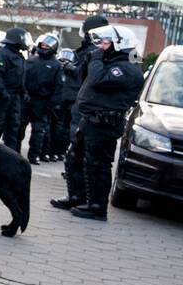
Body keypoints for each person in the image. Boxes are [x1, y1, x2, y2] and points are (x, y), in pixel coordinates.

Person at [65, 26, 144, 221]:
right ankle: (76, 197)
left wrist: (97, 57)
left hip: (104, 124)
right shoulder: (110, 61)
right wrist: (92, 58)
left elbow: (97, 79)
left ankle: (97, 207)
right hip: (90, 119)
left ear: (120, 44)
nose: (101, 46)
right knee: (74, 157)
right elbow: (84, 76)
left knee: (97, 165)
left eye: (106, 42)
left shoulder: (127, 67)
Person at [52, 15, 111, 209]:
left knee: (88, 157)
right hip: (82, 104)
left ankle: (89, 201)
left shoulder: (100, 50)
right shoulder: (92, 50)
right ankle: (77, 196)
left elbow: (92, 77)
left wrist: (74, 68)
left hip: (89, 108)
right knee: (75, 154)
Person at [0, 27, 29, 150]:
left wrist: (23, 92)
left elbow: (20, 77)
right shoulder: (3, 53)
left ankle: (11, 154)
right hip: (1, 96)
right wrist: (2, 93)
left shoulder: (19, 56)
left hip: (15, 96)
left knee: (14, 127)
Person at [23, 33, 65, 165]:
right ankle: (13, 151)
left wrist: (51, 104)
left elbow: (59, 87)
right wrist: (23, 93)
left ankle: (34, 155)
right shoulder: (30, 61)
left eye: (48, 45)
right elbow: (21, 79)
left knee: (39, 131)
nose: (45, 47)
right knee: (17, 128)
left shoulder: (56, 65)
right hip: (26, 99)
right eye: (43, 45)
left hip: (43, 102)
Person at [52, 46, 81, 163]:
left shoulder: (76, 72)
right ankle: (52, 151)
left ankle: (61, 151)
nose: (65, 61)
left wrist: (73, 70)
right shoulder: (56, 69)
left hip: (71, 104)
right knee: (54, 128)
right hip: (57, 103)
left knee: (66, 130)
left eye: (68, 58)